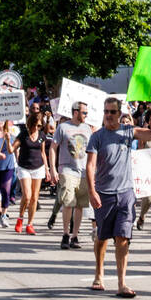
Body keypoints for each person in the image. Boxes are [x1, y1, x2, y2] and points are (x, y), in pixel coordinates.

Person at [87, 93, 151, 296]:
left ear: (119, 113)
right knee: (102, 237)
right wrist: (92, 191)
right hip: (104, 193)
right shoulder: (97, 137)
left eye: (113, 112)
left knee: (122, 237)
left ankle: (122, 283)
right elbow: (90, 166)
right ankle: (99, 273)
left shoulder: (129, 131)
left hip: (126, 193)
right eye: (106, 112)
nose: (109, 115)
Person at [50, 101, 93, 250]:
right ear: (75, 112)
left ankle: (75, 236)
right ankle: (65, 234)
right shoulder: (63, 127)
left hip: (83, 171)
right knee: (69, 202)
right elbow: (53, 147)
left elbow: (92, 150)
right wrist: (53, 169)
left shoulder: (88, 128)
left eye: (86, 113)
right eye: (84, 112)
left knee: (80, 205)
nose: (86, 115)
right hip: (67, 169)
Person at [11, 105, 53, 234]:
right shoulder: (23, 134)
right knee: (27, 196)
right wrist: (8, 140)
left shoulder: (41, 135)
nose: (37, 128)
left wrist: (47, 169)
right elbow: (11, 149)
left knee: (35, 197)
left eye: (39, 126)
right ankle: (20, 218)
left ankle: (30, 224)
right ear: (31, 123)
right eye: (35, 125)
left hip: (38, 167)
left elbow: (42, 153)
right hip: (24, 167)